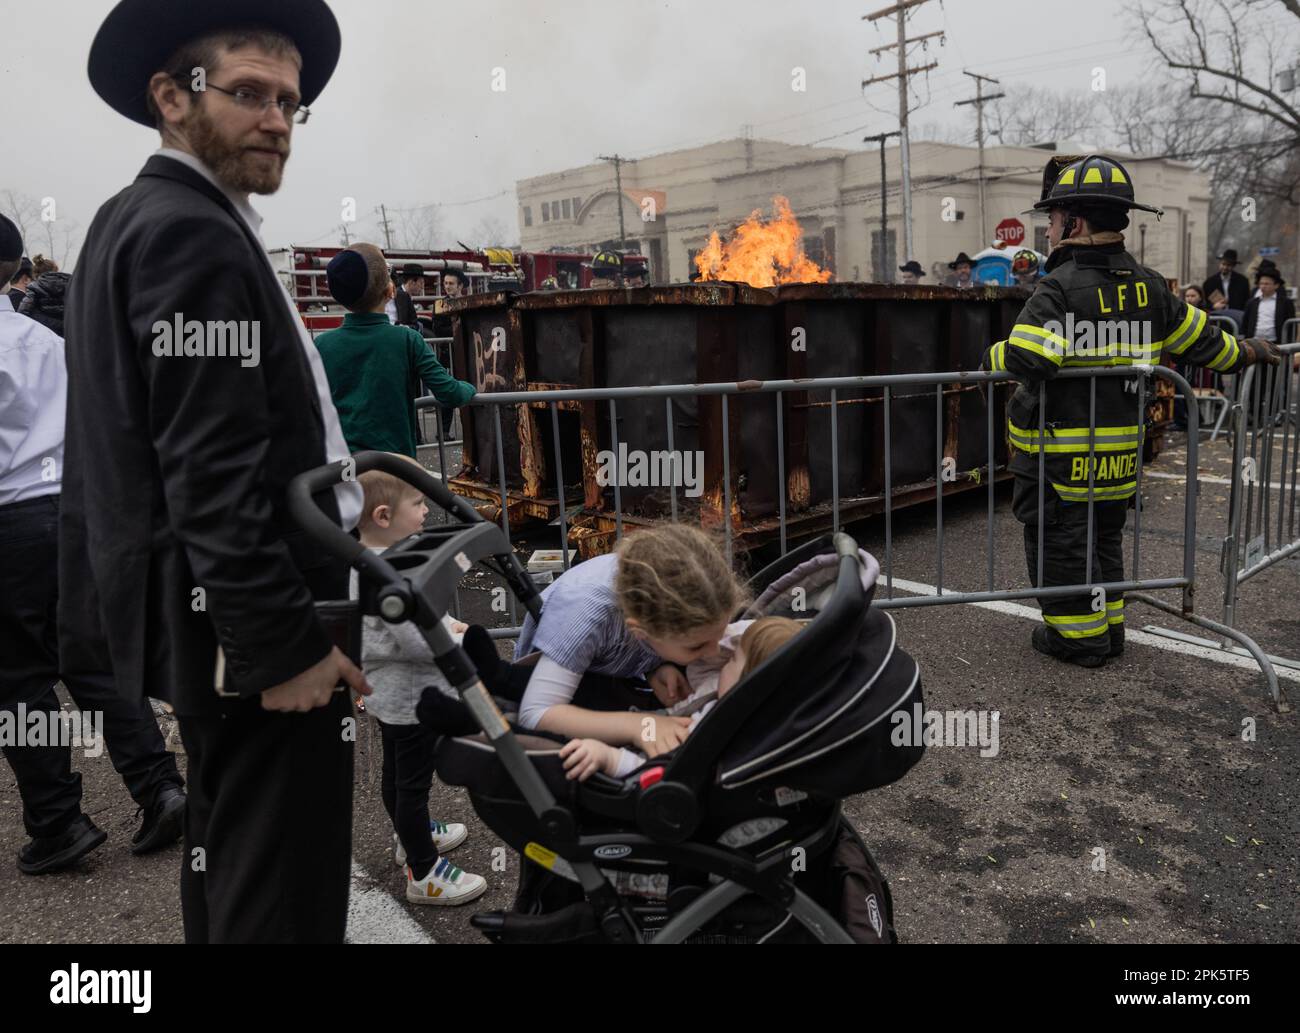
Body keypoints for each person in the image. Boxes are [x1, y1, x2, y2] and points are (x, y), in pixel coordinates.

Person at [62, 0, 372, 943]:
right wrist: (282, 649)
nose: (277, 119)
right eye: (248, 92)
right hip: (251, 636)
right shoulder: (189, 229)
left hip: (208, 628)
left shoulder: (137, 215)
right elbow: (208, 470)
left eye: (290, 100)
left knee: (232, 857)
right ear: (171, 96)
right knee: (283, 885)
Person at [982, 154, 1279, 668]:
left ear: (1074, 220)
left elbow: (1031, 356)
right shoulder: (1150, 287)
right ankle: (1111, 630)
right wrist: (1251, 349)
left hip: (1059, 460)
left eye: (1052, 218)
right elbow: (1212, 347)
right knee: (1104, 543)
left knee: (1062, 549)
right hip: (1119, 460)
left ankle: (1080, 641)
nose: (1048, 229)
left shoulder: (1058, 289)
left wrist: (991, 357)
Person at [1, 214, 187, 874]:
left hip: (10, 517)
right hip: (71, 506)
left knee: (17, 677)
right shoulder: (45, 340)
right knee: (95, 660)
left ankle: (57, 819)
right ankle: (160, 786)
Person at [353, 465, 488, 905]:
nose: (426, 509)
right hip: (412, 698)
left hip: (387, 694)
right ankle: (424, 871)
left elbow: (420, 615)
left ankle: (408, 838)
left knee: (398, 775)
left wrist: (449, 622)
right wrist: (458, 637)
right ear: (383, 516)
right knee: (412, 784)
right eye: (417, 503)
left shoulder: (366, 561)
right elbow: (416, 637)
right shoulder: (386, 575)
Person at [559, 616, 802, 781]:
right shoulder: (755, 719)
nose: (724, 662)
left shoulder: (719, 728)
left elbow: (668, 772)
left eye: (733, 660)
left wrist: (609, 758)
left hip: (644, 773)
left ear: (750, 685)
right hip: (659, 728)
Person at [315, 243, 475, 458]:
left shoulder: (322, 345)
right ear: (390, 291)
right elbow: (450, 392)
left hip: (344, 472)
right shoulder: (408, 340)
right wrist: (470, 388)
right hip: (398, 470)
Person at [1241, 262, 1296, 344]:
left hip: (1276, 343)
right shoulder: (1252, 303)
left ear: (1276, 285)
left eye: (1267, 284)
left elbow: (1291, 326)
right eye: (1261, 283)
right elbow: (1245, 323)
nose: (1263, 286)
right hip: (1255, 342)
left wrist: (1289, 342)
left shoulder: (1285, 302)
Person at [1202, 248, 1250, 314]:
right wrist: (1213, 306)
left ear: (1233, 266)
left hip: (1236, 317)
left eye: (1228, 265)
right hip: (1216, 318)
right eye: (1223, 264)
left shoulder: (1243, 282)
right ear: (1220, 263)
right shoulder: (1209, 283)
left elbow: (1246, 302)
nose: (1225, 267)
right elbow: (1204, 304)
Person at [394, 262, 425, 330]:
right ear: (411, 282)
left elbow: (414, 323)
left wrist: (407, 327)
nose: (422, 287)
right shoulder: (396, 295)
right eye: (421, 283)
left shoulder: (406, 296)